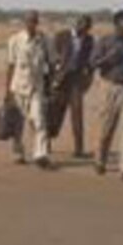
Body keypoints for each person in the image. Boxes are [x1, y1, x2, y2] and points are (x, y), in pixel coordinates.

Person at [90, 9, 123, 181]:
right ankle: (100, 159)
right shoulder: (105, 42)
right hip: (109, 86)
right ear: (117, 24)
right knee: (106, 127)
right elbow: (93, 63)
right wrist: (108, 58)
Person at [4, 11, 54, 169]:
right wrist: (7, 92)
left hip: (36, 87)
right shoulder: (15, 40)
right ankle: (18, 153)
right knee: (18, 124)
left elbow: (52, 64)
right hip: (18, 86)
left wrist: (50, 85)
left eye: (34, 21)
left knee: (39, 120)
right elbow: (11, 65)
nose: (31, 24)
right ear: (24, 22)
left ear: (37, 22)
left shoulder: (45, 41)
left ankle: (40, 154)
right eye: (29, 21)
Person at [49, 15, 95, 157]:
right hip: (60, 80)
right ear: (76, 24)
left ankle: (79, 149)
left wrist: (88, 78)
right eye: (83, 26)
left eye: (88, 27)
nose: (85, 30)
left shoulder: (89, 40)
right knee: (55, 112)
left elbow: (91, 61)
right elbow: (52, 55)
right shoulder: (62, 36)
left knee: (77, 115)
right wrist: (55, 73)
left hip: (76, 80)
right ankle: (46, 143)